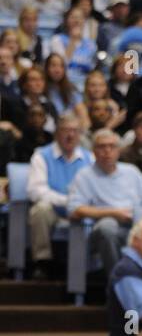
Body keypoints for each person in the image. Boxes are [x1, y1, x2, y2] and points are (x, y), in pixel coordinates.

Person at [67, 129, 142, 275]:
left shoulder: (132, 172)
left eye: (112, 146)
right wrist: (113, 213)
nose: (107, 151)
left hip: (134, 227)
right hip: (102, 230)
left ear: (118, 150)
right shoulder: (84, 175)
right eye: (102, 147)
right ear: (93, 151)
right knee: (108, 226)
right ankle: (119, 281)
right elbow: (74, 210)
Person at [26, 112, 93, 278]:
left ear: (80, 134)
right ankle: (43, 262)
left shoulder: (89, 157)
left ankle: (90, 268)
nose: (70, 135)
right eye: (65, 130)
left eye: (75, 131)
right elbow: (36, 191)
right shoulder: (41, 155)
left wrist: (78, 205)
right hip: (54, 210)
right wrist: (68, 201)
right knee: (40, 209)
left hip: (82, 210)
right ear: (57, 133)